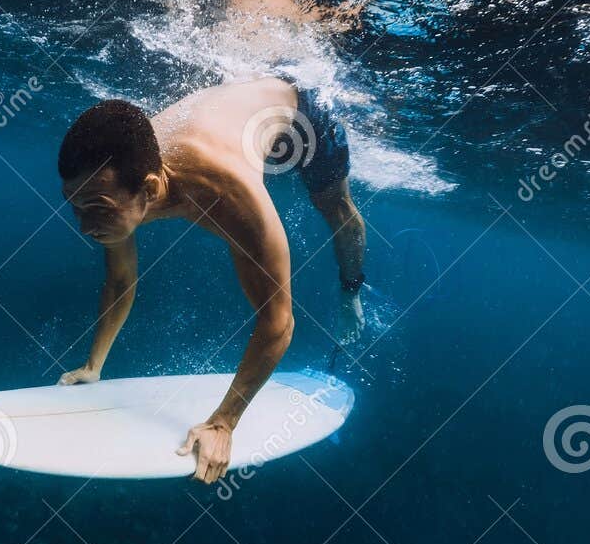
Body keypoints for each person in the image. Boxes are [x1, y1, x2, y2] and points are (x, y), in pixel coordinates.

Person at [56, 76, 367, 483]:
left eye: (96, 210)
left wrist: (223, 423)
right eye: (75, 208)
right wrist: (93, 365)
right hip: (229, 115)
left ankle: (353, 290)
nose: (84, 227)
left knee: (334, 208)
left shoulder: (227, 193)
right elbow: (119, 280)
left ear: (150, 189)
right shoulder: (114, 190)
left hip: (301, 113)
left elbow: (278, 322)